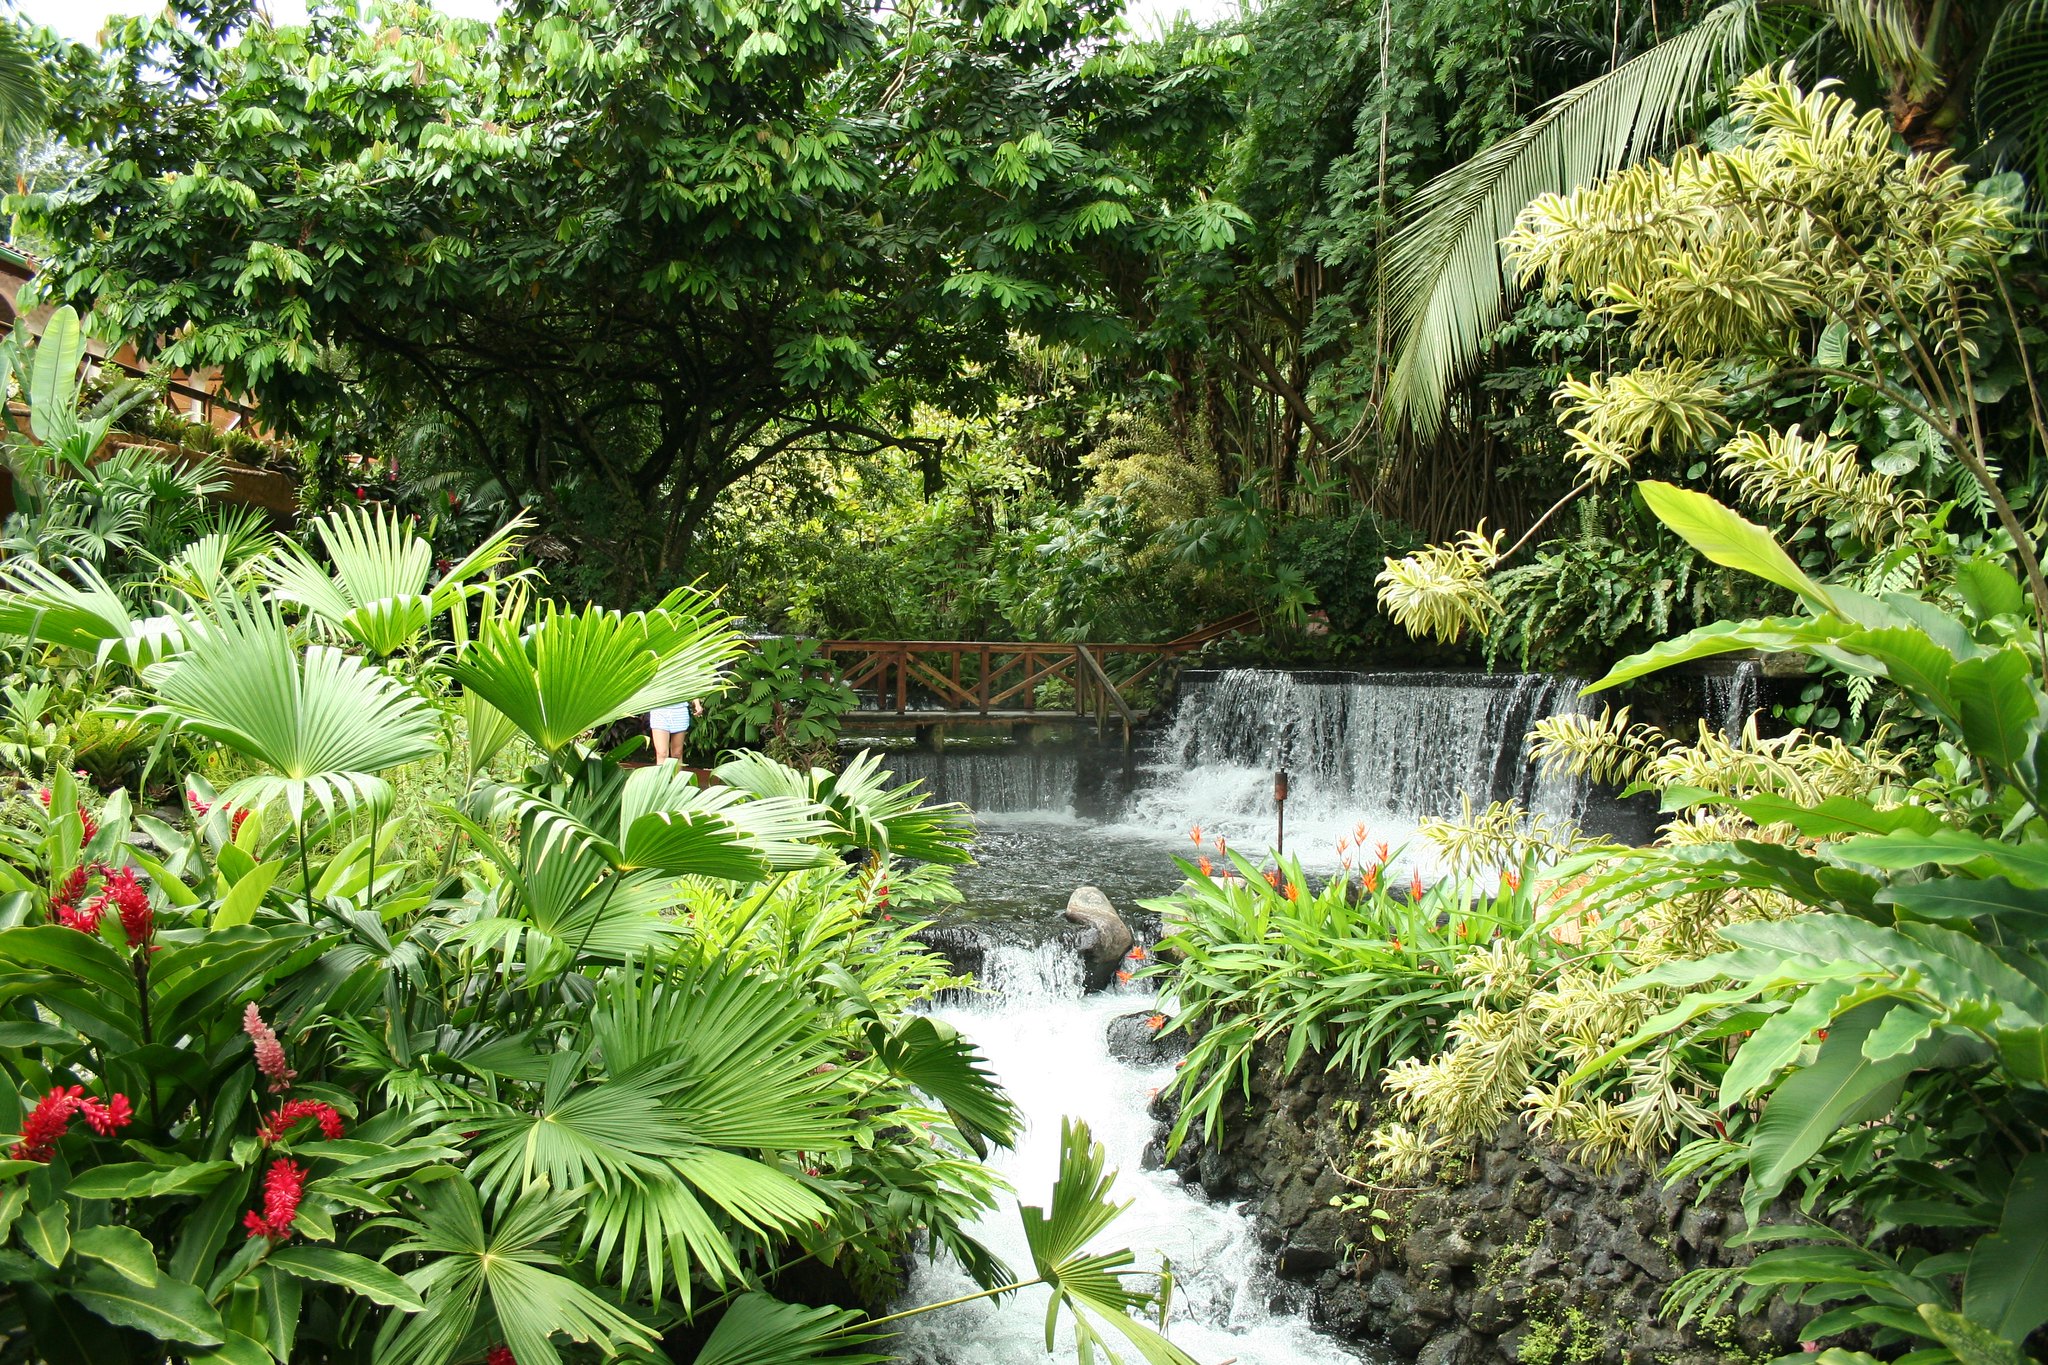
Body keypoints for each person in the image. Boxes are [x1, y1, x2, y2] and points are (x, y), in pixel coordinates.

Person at [648, 698, 704, 763]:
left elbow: (691, 688)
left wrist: (697, 704)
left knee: (677, 754)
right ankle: (663, 773)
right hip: (659, 710)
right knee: (661, 753)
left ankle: (677, 773)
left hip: (679, 711)